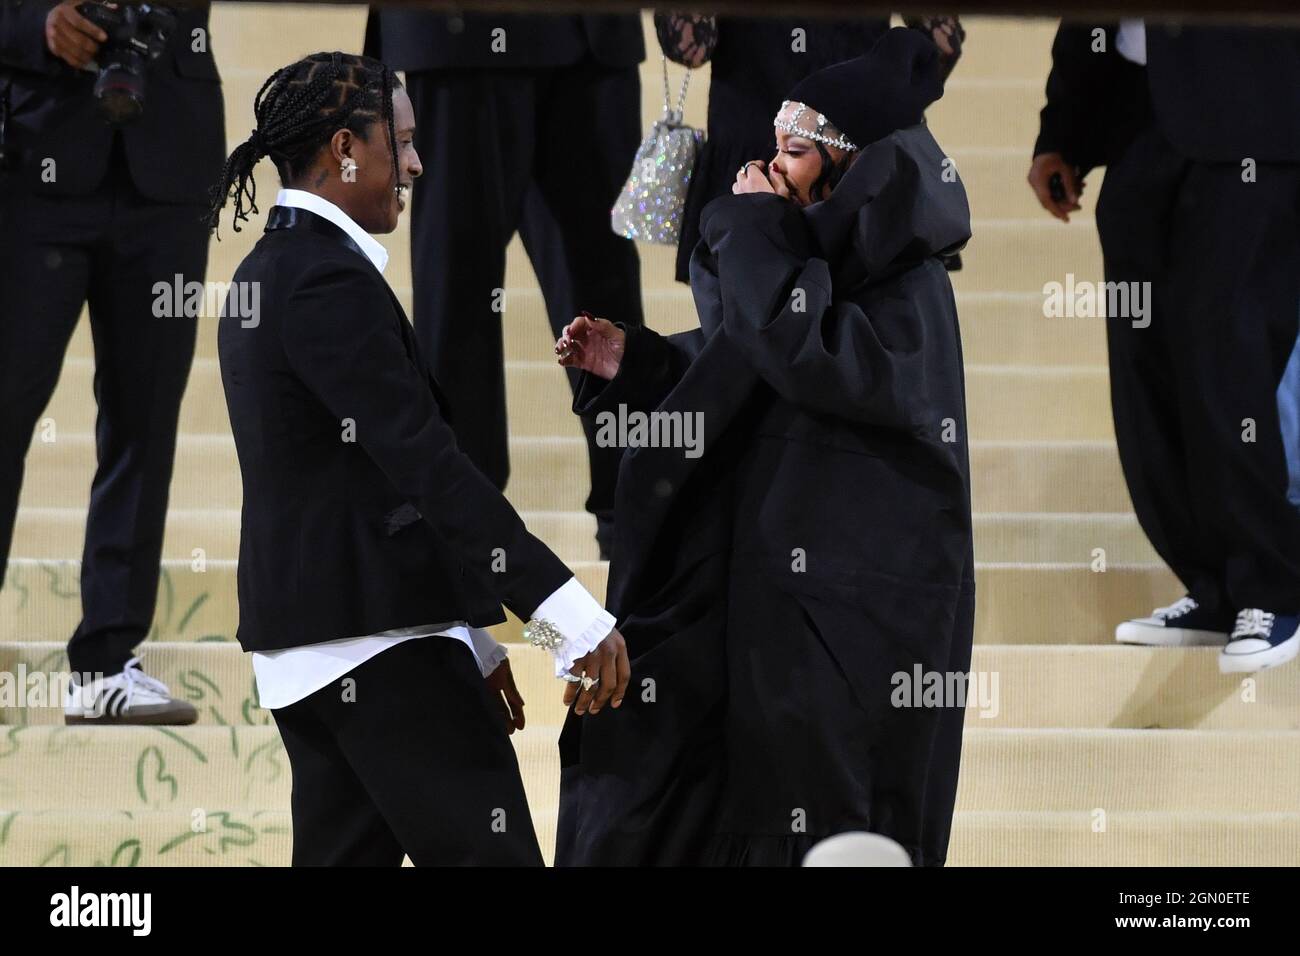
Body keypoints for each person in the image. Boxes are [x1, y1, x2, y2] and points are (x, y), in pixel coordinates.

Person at [553, 28, 973, 866]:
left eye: (794, 151)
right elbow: (754, 361)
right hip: (766, 614)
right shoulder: (813, 259)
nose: (770, 168)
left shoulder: (910, 287)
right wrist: (639, 361)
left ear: (853, 165)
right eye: (773, 147)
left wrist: (745, 227)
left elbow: (804, 355)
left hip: (843, 641)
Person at [208, 52, 629, 866]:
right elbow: (426, 466)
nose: (415, 163)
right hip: (378, 646)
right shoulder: (322, 280)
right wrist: (565, 617)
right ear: (344, 149)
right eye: (399, 142)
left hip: (329, 648)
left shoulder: (277, 271)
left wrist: (470, 640)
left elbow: (366, 481)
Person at [1028, 22, 1300, 672]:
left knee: (1225, 354)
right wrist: (1064, 130)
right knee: (1146, 362)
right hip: (1143, 127)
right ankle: (1215, 585)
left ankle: (1274, 584)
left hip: (1259, 120)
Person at [0, 0, 224, 723]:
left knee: (144, 420)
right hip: (31, 161)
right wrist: (34, 26)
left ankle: (105, 666)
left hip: (170, 170)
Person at [363, 9, 646, 559]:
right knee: (457, 291)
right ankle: (464, 531)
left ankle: (632, 524)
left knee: (604, 288)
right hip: (456, 34)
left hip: (589, 39)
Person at [654, 11, 965, 284]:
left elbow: (687, 46)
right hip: (851, 148)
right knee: (865, 324)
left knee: (748, 321)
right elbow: (937, 52)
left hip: (798, 148)